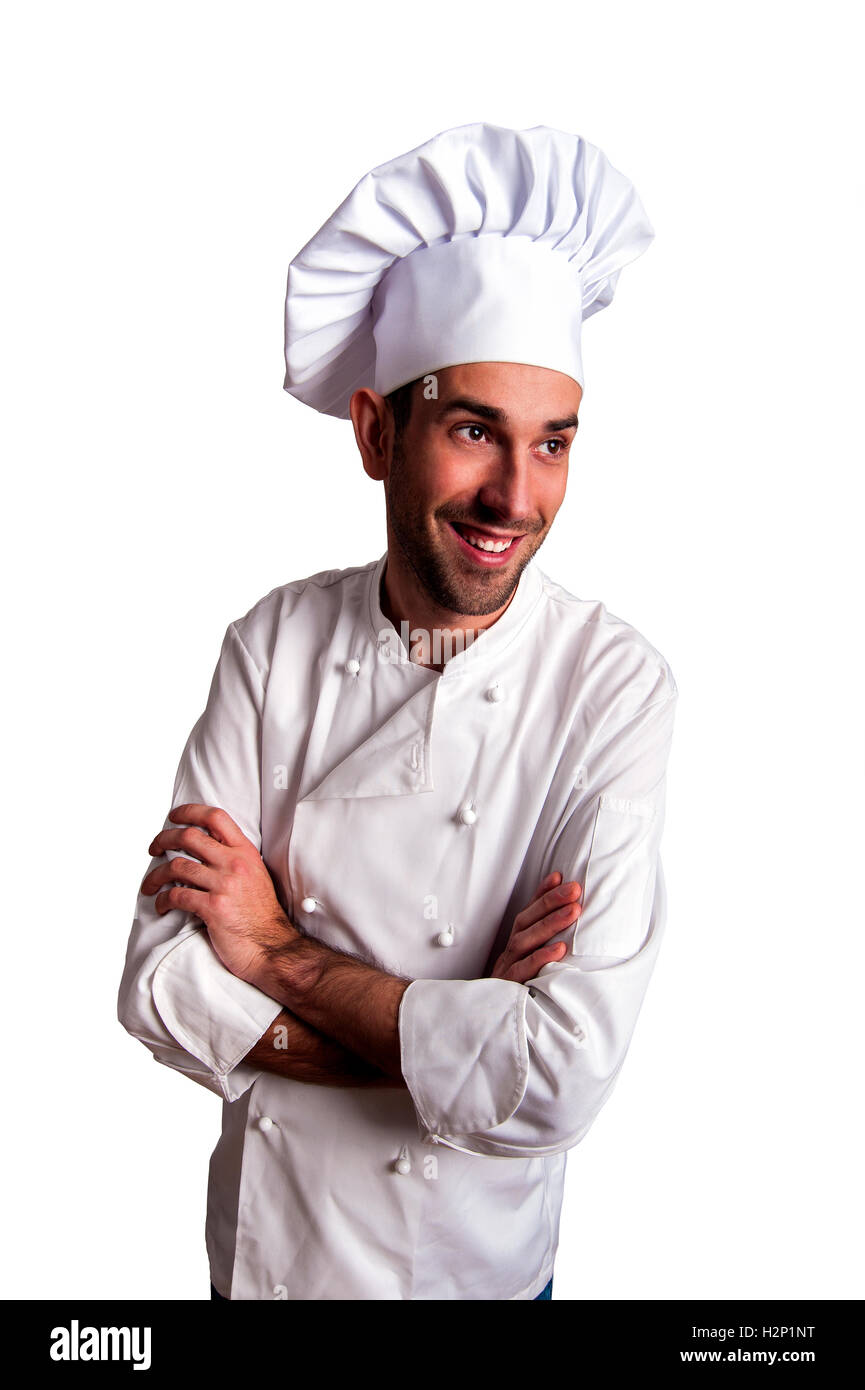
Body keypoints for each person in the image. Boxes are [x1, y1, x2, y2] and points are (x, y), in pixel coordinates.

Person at [118, 122, 678, 1301]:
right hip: (266, 1273)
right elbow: (161, 982)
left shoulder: (613, 686)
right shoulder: (271, 646)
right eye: (474, 429)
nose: (514, 498)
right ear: (378, 432)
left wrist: (272, 951)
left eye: (553, 444)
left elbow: (559, 1078)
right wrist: (455, 1029)